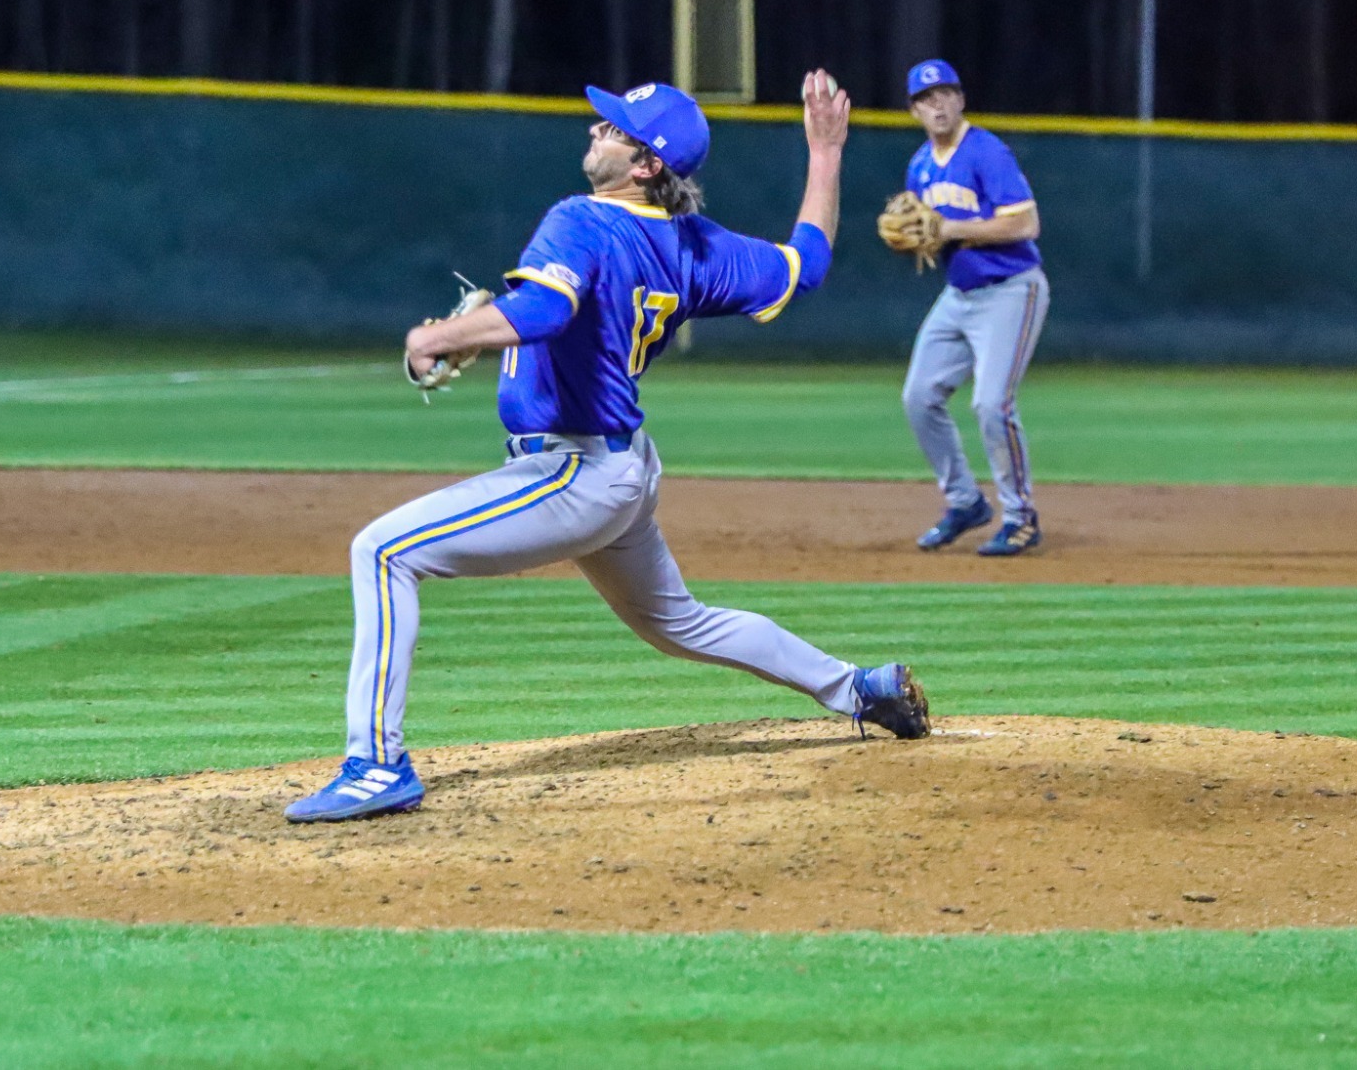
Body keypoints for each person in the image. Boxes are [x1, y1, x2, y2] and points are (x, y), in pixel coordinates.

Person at [286, 72, 931, 823]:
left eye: (616, 129)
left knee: (383, 551)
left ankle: (376, 765)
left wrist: (443, 334)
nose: (597, 128)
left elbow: (545, 310)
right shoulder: (694, 244)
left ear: (646, 165)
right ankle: (859, 688)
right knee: (682, 622)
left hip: (574, 471)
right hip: (622, 467)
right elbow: (805, 265)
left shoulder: (582, 218)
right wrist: (825, 153)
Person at [895, 59, 1049, 557]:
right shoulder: (920, 166)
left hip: (1011, 290)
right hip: (959, 296)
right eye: (925, 99)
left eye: (944, 94)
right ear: (915, 111)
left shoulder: (986, 151)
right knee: (919, 397)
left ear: (960, 99)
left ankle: (1021, 518)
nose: (936, 104)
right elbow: (929, 237)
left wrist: (950, 229)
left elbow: (1025, 224)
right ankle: (965, 502)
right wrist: (915, 241)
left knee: (991, 405)